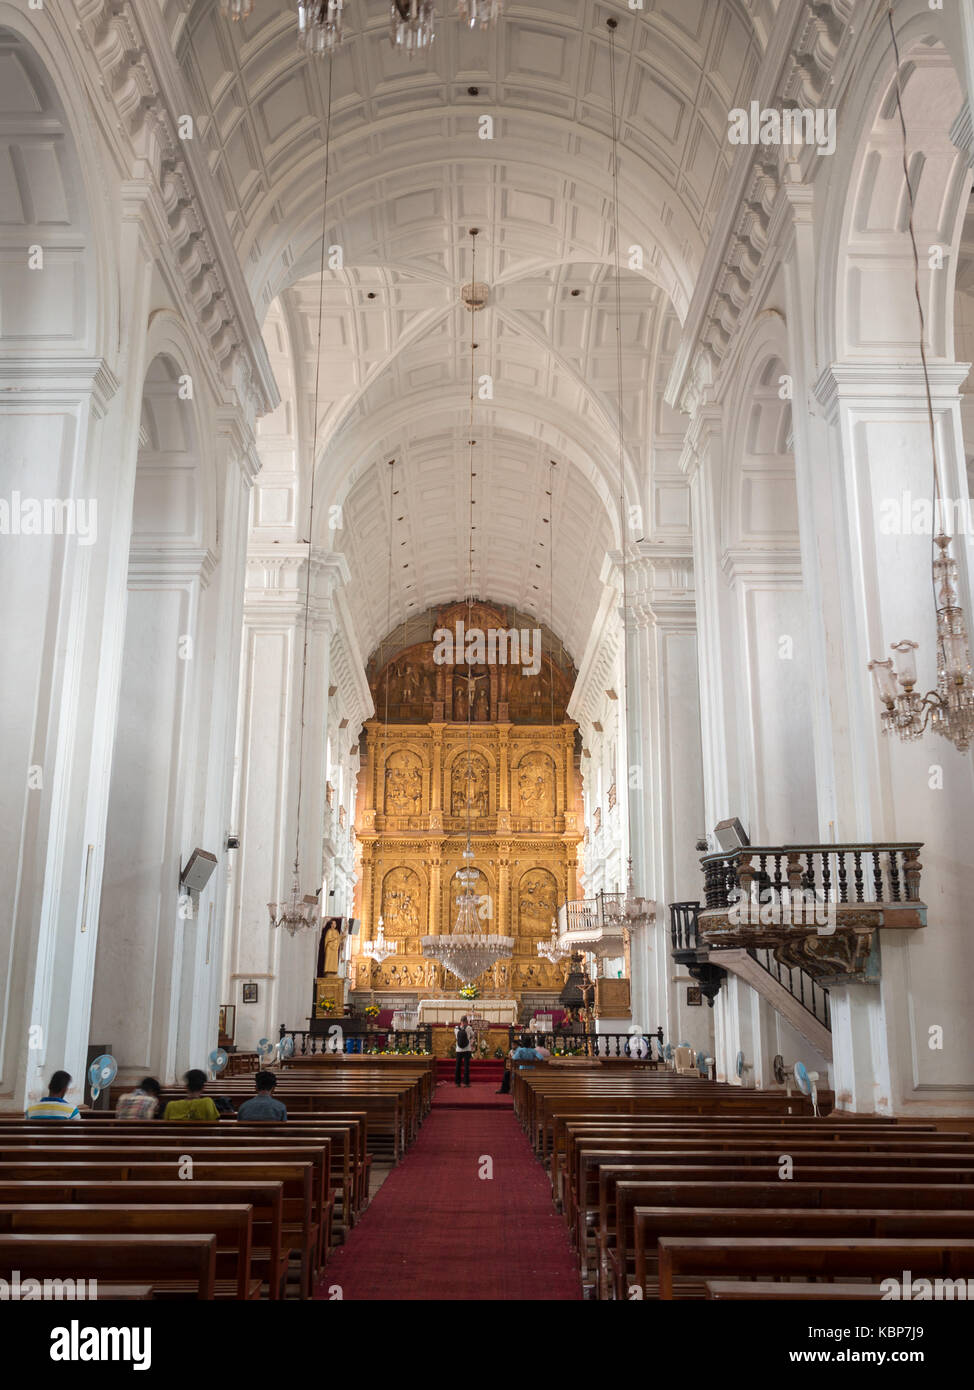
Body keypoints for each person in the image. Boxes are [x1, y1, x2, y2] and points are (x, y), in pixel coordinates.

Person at [454, 1016, 473, 1087]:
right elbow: (472, 1035)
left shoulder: (456, 1029)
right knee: (466, 1066)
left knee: (458, 1066)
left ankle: (457, 1083)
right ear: (466, 1022)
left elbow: (456, 1037)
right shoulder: (469, 1028)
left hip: (458, 1049)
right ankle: (466, 1083)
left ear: (460, 1021)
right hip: (467, 1049)